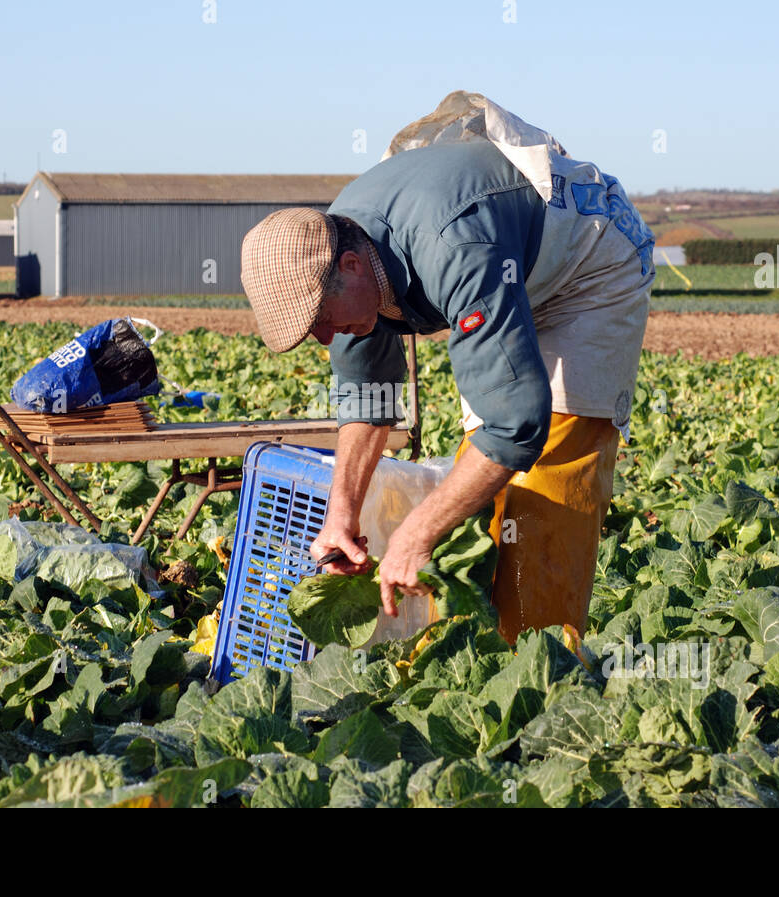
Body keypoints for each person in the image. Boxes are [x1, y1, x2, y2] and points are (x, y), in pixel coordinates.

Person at [239, 98, 654, 644]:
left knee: (544, 471)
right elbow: (369, 397)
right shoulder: (336, 254)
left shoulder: (454, 245)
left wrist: (416, 531)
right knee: (478, 477)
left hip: (588, 265)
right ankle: (474, 646)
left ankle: (542, 659)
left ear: (351, 266)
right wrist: (342, 512)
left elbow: (516, 425)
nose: (320, 337)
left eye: (318, 320)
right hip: (503, 263)